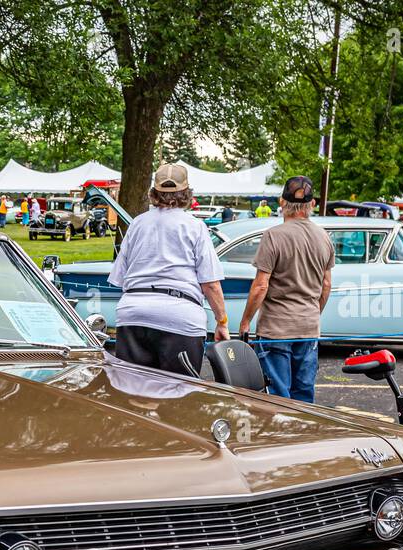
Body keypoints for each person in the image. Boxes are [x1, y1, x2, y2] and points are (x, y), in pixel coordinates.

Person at [107, 163, 230, 377]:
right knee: (178, 396)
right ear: (186, 193)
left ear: (154, 192)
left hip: (134, 314)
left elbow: (120, 277)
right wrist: (222, 322)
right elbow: (210, 283)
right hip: (180, 317)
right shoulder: (194, 226)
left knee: (132, 392)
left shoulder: (137, 224)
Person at [239, 175, 334, 403]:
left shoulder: (273, 236)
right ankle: (302, 436)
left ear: (282, 202)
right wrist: (312, 311)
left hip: (276, 328)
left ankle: (281, 437)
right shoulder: (323, 237)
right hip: (308, 327)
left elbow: (261, 286)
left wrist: (245, 322)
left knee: (278, 398)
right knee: (303, 396)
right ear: (312, 204)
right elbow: (326, 284)